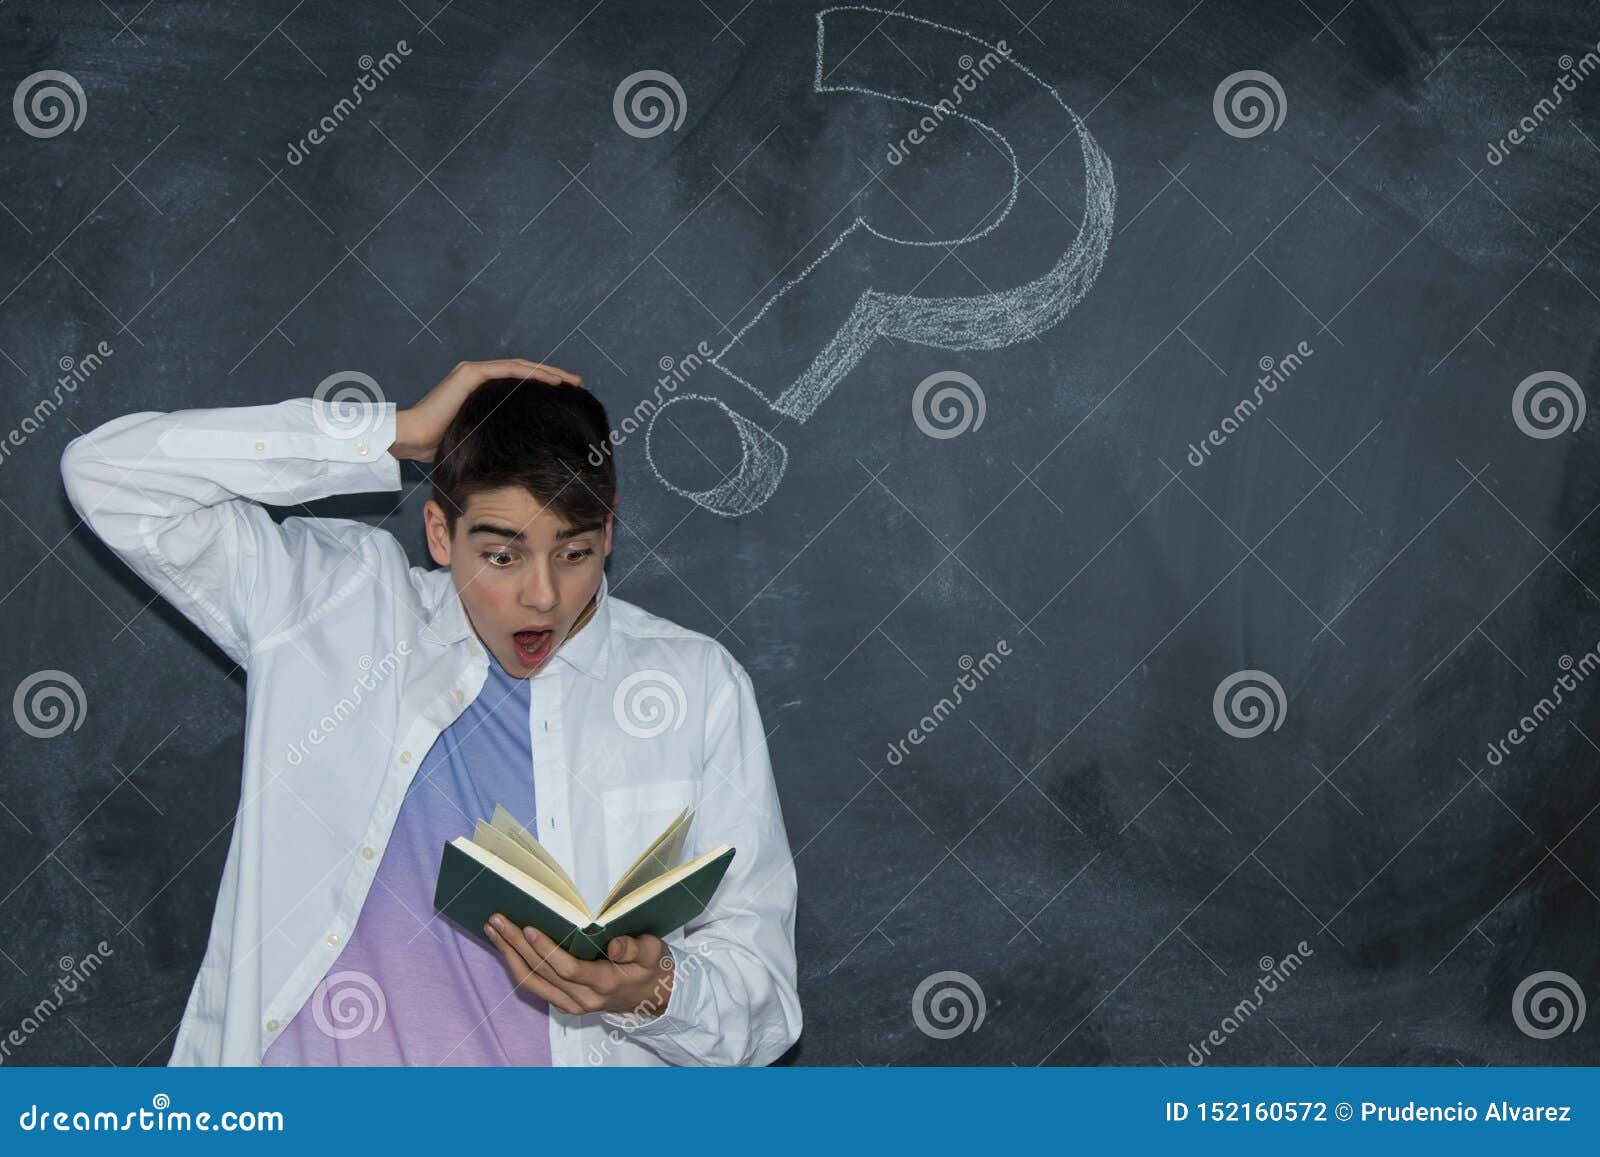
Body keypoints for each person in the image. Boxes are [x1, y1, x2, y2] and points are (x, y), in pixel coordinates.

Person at [58, 359, 802, 1066]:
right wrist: (394, 430)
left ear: (608, 534)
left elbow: (765, 1002)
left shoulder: (694, 685)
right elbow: (108, 474)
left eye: (573, 553)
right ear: (442, 534)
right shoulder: (334, 605)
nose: (542, 594)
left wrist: (656, 989)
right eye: (503, 555)